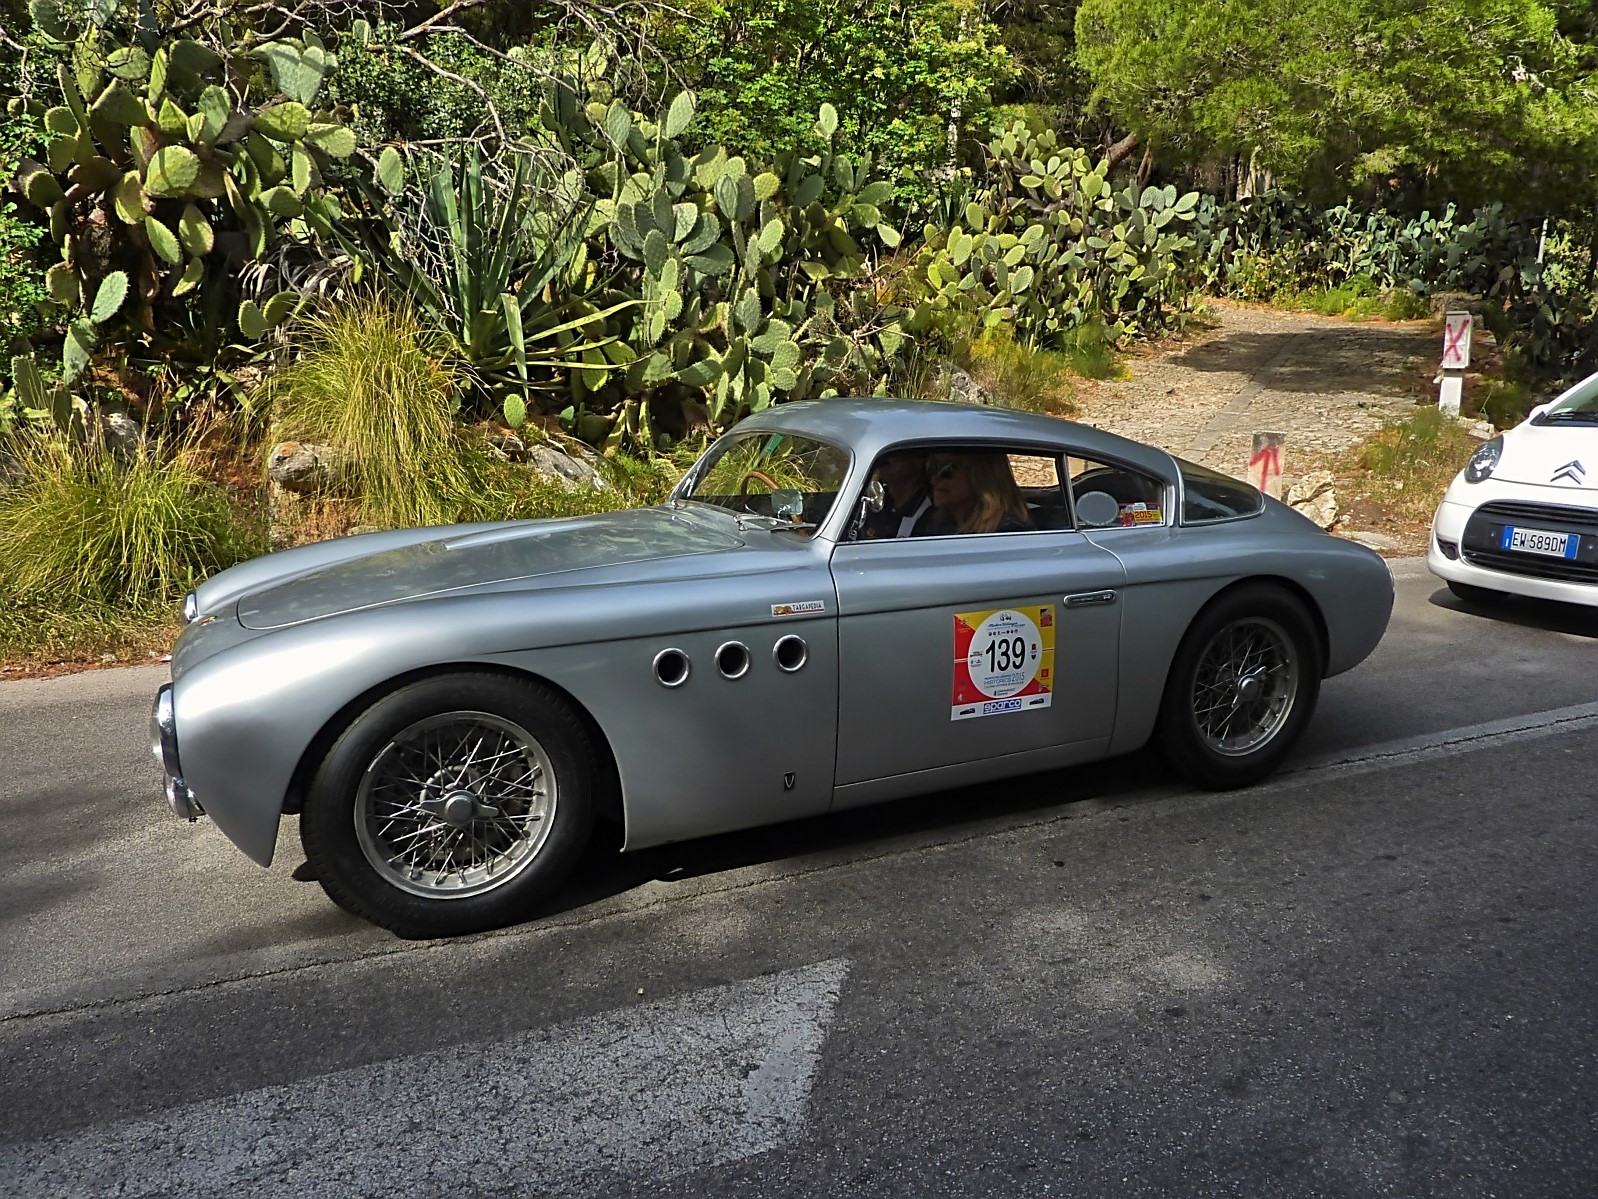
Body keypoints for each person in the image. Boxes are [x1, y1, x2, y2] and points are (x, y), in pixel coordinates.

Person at [919, 451, 1033, 535]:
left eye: (946, 470)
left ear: (981, 475)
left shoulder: (1008, 531)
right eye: (932, 468)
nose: (934, 479)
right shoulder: (931, 523)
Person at [855, 449, 936, 539]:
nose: (885, 458)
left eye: (897, 452)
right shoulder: (870, 500)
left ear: (919, 461)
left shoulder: (932, 512)